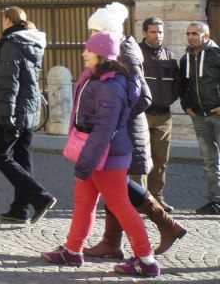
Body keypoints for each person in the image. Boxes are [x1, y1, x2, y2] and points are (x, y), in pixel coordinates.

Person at [41, 31, 160, 277]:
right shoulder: (99, 80)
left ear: (101, 54)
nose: (84, 53)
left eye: (89, 50)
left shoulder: (109, 85)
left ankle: (146, 260)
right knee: (84, 203)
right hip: (97, 154)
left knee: (120, 205)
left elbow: (104, 129)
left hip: (106, 157)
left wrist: (87, 162)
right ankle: (73, 251)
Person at [83, 3, 185, 258]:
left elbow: (143, 97)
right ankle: (112, 242)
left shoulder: (126, 52)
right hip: (120, 130)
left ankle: (165, 228)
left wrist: (114, 112)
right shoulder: (119, 50)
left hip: (126, 132)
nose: (91, 37)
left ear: (106, 31)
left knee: (120, 187)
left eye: (94, 30)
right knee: (116, 187)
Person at [0, 6, 56, 224]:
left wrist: (7, 115)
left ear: (7, 21)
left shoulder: (12, 42)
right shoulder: (32, 41)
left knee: (0, 156)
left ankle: (41, 197)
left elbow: (8, 82)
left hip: (12, 111)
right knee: (23, 158)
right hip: (29, 108)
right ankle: (20, 209)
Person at [137, 17, 180, 211]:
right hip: (142, 115)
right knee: (140, 159)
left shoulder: (169, 55)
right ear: (145, 33)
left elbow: (177, 82)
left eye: (160, 32)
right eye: (154, 32)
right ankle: (138, 198)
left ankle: (157, 197)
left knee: (161, 159)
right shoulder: (135, 54)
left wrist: (171, 98)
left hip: (164, 116)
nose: (158, 35)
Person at [178, 21, 220, 215]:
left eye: (195, 33)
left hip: (218, 115)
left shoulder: (217, 55)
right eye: (188, 33)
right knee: (209, 162)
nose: (191, 37)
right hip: (199, 117)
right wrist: (186, 107)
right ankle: (215, 202)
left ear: (206, 36)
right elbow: (183, 86)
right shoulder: (185, 59)